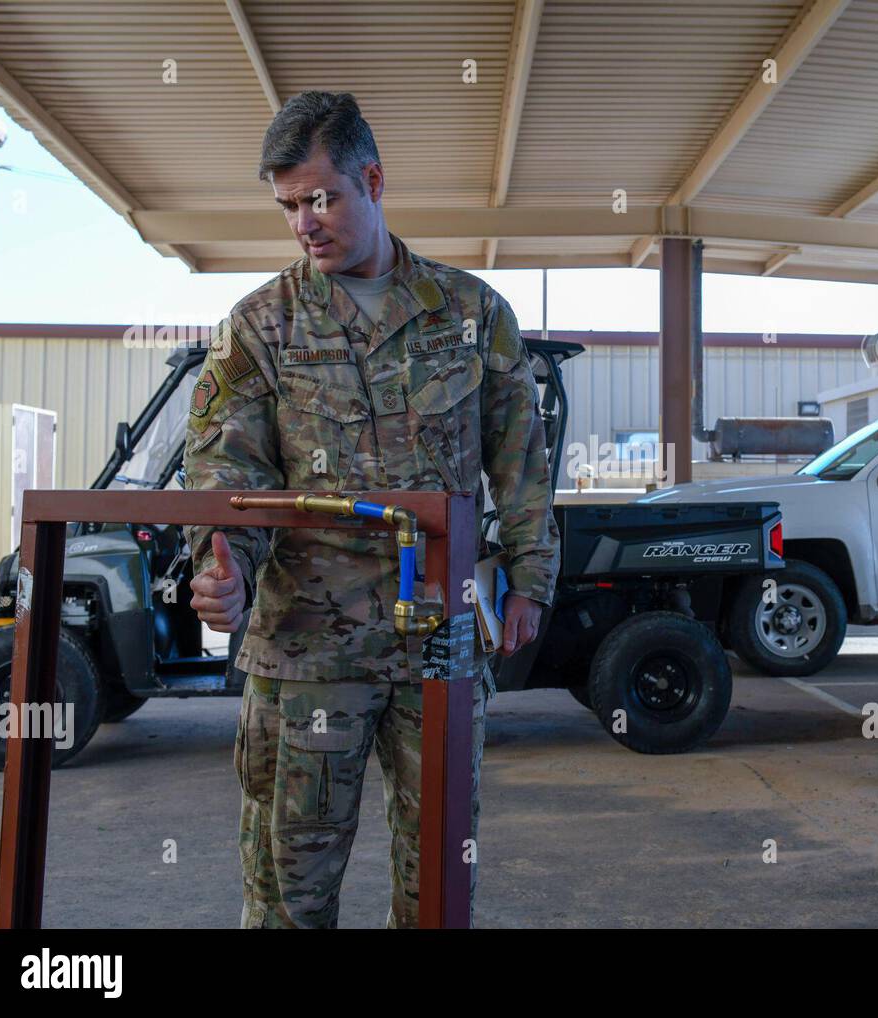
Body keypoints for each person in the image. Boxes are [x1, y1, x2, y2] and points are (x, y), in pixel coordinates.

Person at [184, 91, 560, 928]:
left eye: (321, 198)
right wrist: (224, 575)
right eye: (287, 206)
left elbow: (519, 459)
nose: (304, 223)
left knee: (438, 880)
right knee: (292, 888)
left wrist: (530, 577)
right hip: (307, 653)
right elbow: (227, 480)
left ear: (374, 180)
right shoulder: (261, 328)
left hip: (440, 643)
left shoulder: (470, 314)